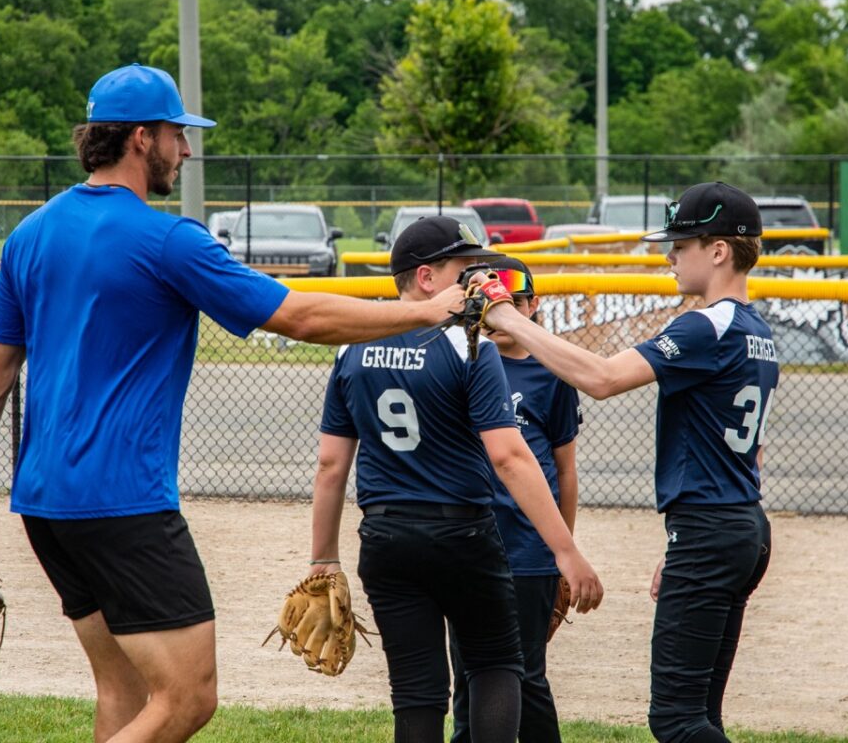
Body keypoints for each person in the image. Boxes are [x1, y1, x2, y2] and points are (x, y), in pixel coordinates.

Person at [0, 63, 466, 743]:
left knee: (123, 687)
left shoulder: (31, 235)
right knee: (188, 698)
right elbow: (299, 317)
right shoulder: (168, 241)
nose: (186, 149)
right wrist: (426, 312)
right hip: (124, 503)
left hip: (45, 504)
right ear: (141, 139)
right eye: (178, 135)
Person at [478, 182, 778, 743]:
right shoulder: (757, 330)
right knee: (703, 715)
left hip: (711, 527)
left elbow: (602, 378)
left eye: (681, 244)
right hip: (740, 524)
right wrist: (684, 546)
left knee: (676, 719)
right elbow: (751, 452)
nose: (669, 255)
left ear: (718, 250)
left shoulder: (705, 323)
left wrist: (511, 320)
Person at [306, 215, 604, 743]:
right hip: (462, 534)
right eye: (462, 269)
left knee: (416, 693)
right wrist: (565, 549)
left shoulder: (351, 349)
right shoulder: (471, 346)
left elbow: (331, 466)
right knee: (495, 665)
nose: (474, 283)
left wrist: (323, 557)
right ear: (425, 278)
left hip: (386, 539)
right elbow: (509, 457)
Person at [448, 256, 581, 743]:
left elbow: (564, 469)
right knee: (467, 676)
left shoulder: (552, 373)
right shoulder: (462, 363)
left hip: (528, 550)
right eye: (486, 305)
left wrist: (560, 550)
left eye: (513, 303)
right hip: (468, 544)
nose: (498, 315)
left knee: (525, 673)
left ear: (531, 306)